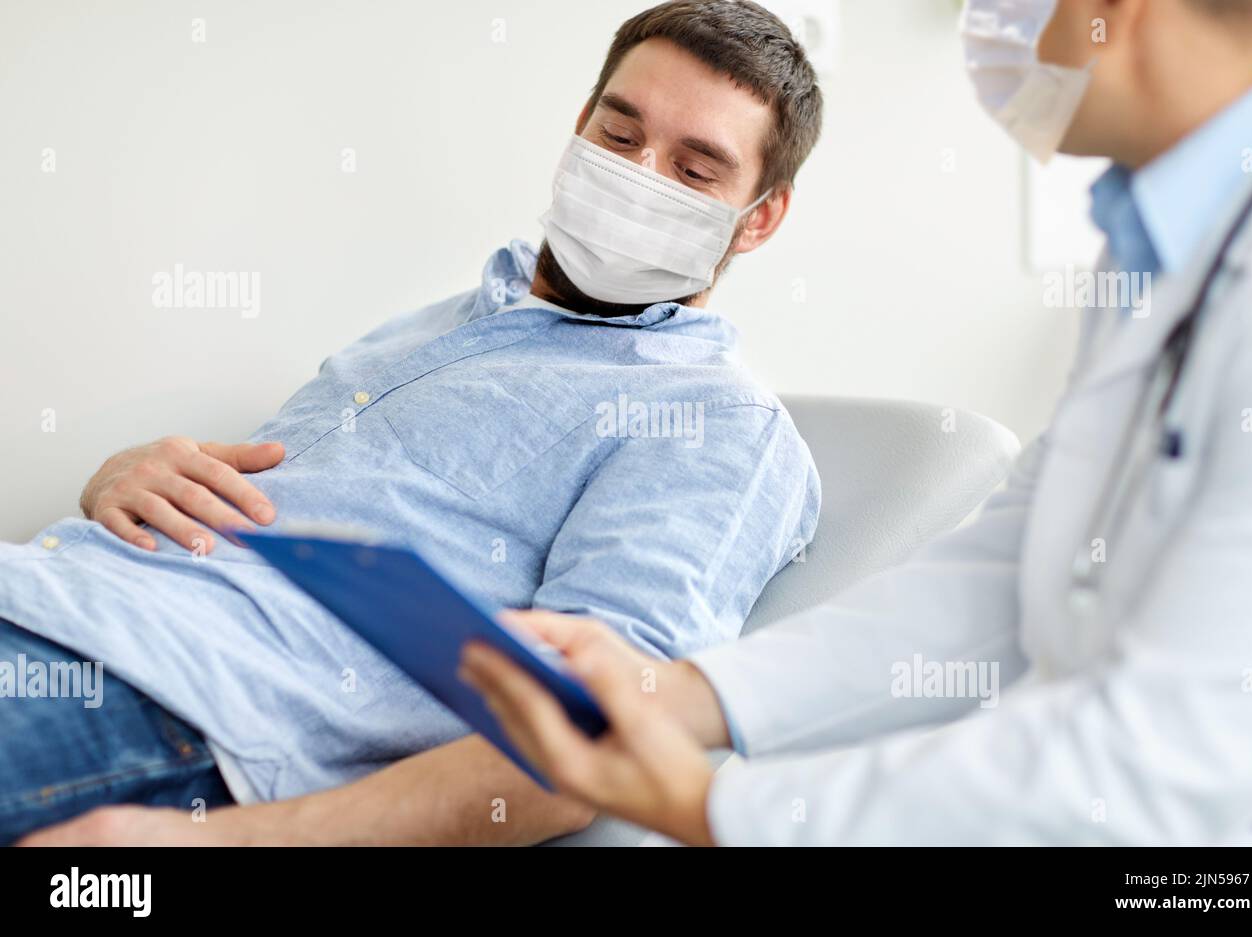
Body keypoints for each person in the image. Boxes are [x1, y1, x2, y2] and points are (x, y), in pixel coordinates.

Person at [459, 0, 1252, 845]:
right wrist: (685, 696)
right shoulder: (1161, 244)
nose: (1011, 27)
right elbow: (1007, 572)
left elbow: (1155, 763)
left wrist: (716, 809)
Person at [5, 0, 824, 846]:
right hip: (48, 588)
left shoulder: (717, 422)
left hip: (164, 702)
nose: (641, 177)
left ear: (759, 215)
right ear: (579, 127)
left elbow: (590, 737)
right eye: (619, 138)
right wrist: (123, 479)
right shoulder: (445, 322)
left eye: (694, 171)